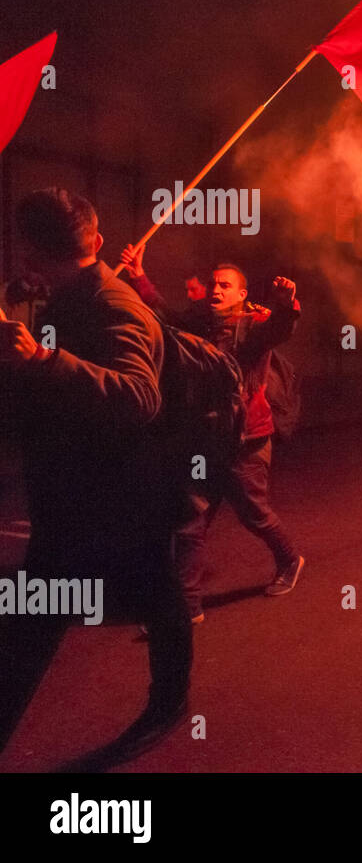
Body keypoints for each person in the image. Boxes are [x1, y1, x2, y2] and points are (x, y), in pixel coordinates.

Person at [0, 189, 191, 764]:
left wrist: (41, 359)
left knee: (38, 622)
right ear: (98, 241)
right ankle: (171, 702)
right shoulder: (68, 292)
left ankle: (169, 705)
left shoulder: (114, 305)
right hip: (81, 495)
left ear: (31, 254)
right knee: (147, 596)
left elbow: (138, 397)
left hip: (117, 499)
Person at [120, 245, 306, 618]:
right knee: (191, 520)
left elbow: (280, 329)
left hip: (245, 441)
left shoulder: (254, 328)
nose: (216, 289)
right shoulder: (200, 324)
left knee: (254, 513)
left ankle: (290, 561)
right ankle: (187, 607)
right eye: (213, 284)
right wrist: (139, 275)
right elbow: (163, 316)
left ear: (242, 294)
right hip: (205, 440)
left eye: (225, 285)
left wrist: (286, 303)